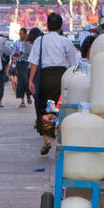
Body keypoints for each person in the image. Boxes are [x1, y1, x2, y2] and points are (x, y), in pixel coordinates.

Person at [28, 12, 79, 155]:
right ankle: (60, 142)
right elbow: (73, 65)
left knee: (43, 108)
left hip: (45, 77)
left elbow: (34, 62)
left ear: (47, 25)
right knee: (60, 109)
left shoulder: (40, 40)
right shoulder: (66, 41)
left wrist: (31, 80)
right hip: (62, 78)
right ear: (61, 26)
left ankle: (47, 140)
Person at [10, 28, 31, 106]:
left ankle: (28, 95)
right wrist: (16, 54)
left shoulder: (29, 43)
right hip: (20, 64)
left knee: (26, 80)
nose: (20, 35)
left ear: (25, 34)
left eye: (22, 33)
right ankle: (22, 101)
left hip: (27, 64)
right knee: (21, 82)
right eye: (19, 33)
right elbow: (13, 54)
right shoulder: (16, 43)